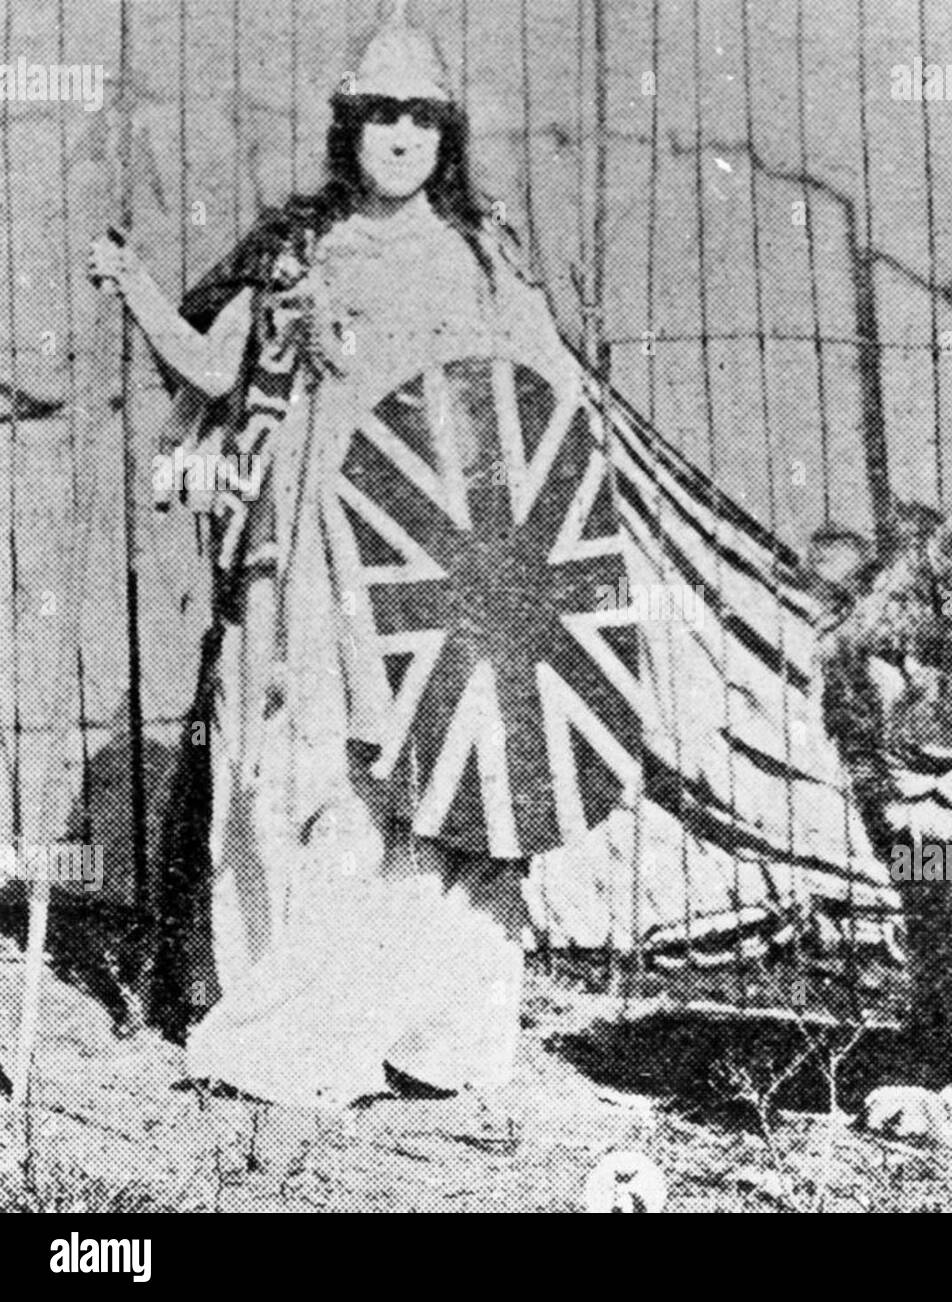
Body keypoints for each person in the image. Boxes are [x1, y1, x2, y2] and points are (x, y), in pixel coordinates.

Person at [87, 3, 577, 1110]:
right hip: (301, 558)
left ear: (445, 137)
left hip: (430, 566)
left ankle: (416, 1022)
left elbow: (551, 395)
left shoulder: (478, 260)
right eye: (377, 116)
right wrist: (136, 289)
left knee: (417, 781)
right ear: (347, 130)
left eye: (419, 118)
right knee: (301, 769)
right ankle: (291, 1012)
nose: (398, 136)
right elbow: (215, 378)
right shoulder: (297, 251)